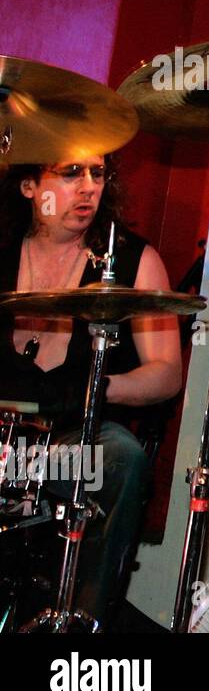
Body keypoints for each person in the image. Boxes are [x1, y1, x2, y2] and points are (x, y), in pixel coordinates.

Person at [0, 154, 181, 625]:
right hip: (3, 441)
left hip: (69, 447)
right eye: (70, 173)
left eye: (97, 175)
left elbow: (165, 373)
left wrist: (99, 387)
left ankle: (79, 623)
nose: (88, 188)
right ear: (28, 186)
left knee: (120, 458)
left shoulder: (132, 261)